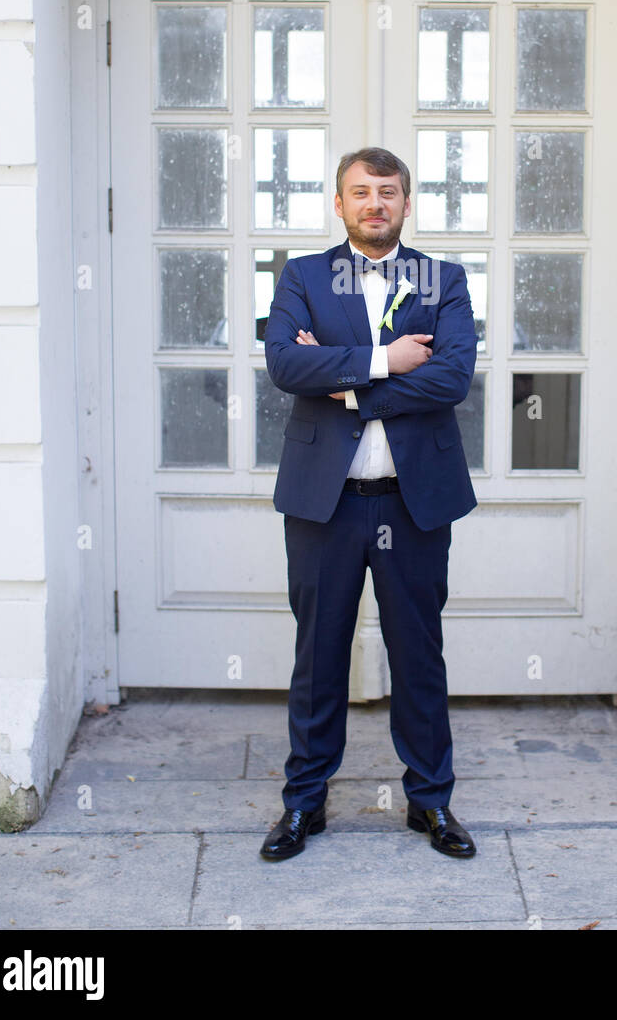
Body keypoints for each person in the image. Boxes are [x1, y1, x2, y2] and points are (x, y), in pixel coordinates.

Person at [260, 146, 478, 861]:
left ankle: (431, 802)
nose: (374, 203)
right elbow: (286, 364)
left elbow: (449, 379)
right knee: (318, 656)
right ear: (339, 202)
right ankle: (303, 805)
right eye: (361, 192)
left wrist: (346, 382)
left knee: (419, 653)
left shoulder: (442, 280)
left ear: (407, 203)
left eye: (387, 192)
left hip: (414, 503)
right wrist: (386, 361)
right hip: (326, 503)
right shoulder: (303, 275)